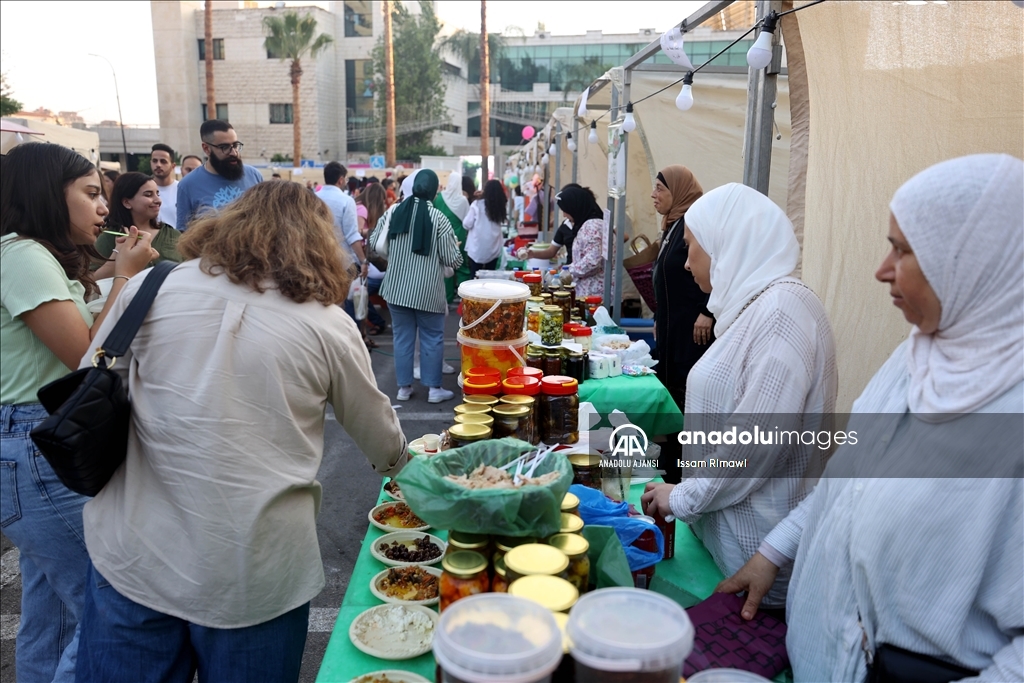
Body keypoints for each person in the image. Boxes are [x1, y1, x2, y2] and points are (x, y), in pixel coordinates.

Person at [73, 180, 408, 683]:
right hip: (255, 572)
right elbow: (381, 441)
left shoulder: (155, 284)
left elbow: (91, 378)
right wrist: (422, 476)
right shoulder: (327, 324)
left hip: (136, 552)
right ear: (316, 242)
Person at [716, 154, 1024, 681]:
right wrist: (774, 551)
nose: (881, 270)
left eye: (903, 251)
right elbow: (848, 482)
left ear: (974, 260)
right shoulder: (914, 358)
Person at [0, 143, 157, 683]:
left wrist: (115, 271)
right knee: (104, 608)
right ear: (47, 195)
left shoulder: (32, 254)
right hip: (36, 442)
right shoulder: (23, 255)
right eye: (91, 194)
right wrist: (127, 277)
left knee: (52, 617)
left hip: (30, 441)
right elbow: (89, 356)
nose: (102, 210)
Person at [641, 182, 838, 611]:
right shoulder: (754, 307)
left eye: (693, 246)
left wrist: (683, 497)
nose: (688, 262)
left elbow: (753, 442)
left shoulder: (784, 310)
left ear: (727, 244)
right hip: (725, 547)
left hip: (755, 565)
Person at [369, 169, 462, 404]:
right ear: (432, 191)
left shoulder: (394, 211)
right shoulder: (439, 218)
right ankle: (434, 390)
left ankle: (403, 388)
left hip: (396, 288)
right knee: (432, 338)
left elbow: (373, 241)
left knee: (402, 338)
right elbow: (453, 259)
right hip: (428, 291)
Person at [650, 166, 714, 484]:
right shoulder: (673, 225)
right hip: (672, 326)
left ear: (678, 191)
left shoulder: (696, 222)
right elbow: (667, 277)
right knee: (672, 392)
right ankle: (671, 468)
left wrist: (709, 311)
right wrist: (657, 317)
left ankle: (682, 475)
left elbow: (717, 267)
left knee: (686, 398)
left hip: (693, 329)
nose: (653, 195)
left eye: (660, 188)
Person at [174, 120, 262, 231]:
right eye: (224, 147)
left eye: (235, 145)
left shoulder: (254, 176)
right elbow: (183, 234)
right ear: (206, 149)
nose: (234, 152)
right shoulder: (187, 185)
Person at [93, 172, 183, 278]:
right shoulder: (110, 237)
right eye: (148, 195)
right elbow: (90, 282)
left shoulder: (173, 235)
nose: (158, 200)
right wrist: (118, 254)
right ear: (127, 202)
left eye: (157, 194)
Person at [316, 161, 368, 327]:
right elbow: (352, 235)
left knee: (320, 303)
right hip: (341, 262)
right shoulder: (346, 201)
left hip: (316, 259)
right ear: (340, 180)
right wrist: (363, 261)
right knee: (339, 305)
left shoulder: (312, 198)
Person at [559, 185, 607, 299]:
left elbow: (592, 262)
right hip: (592, 294)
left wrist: (567, 271)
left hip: (594, 296)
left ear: (575, 207)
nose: (564, 215)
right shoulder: (590, 224)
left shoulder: (592, 226)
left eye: (566, 210)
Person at [433, 172, 472, 303]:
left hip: (442, 234)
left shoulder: (439, 198)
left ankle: (446, 299)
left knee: (445, 266)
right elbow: (467, 220)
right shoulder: (463, 200)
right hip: (459, 234)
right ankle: (464, 299)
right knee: (461, 266)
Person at [356, 182, 389, 336]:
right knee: (360, 293)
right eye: (382, 200)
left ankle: (377, 322)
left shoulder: (361, 207)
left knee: (361, 292)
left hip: (374, 266)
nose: (384, 203)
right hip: (370, 264)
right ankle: (377, 322)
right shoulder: (362, 209)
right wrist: (375, 232)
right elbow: (358, 232)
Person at [525, 182, 582, 264]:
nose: (564, 214)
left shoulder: (589, 226)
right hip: (570, 272)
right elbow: (551, 251)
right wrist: (532, 254)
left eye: (566, 210)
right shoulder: (565, 226)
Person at [462, 179, 506, 276]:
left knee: (474, 277)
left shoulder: (477, 205)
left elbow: (466, 224)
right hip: (493, 249)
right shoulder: (500, 207)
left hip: (476, 249)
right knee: (490, 277)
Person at [150, 143, 178, 227]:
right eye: (154, 161)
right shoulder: (141, 190)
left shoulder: (182, 189)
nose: (158, 165)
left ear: (173, 166)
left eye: (163, 161)